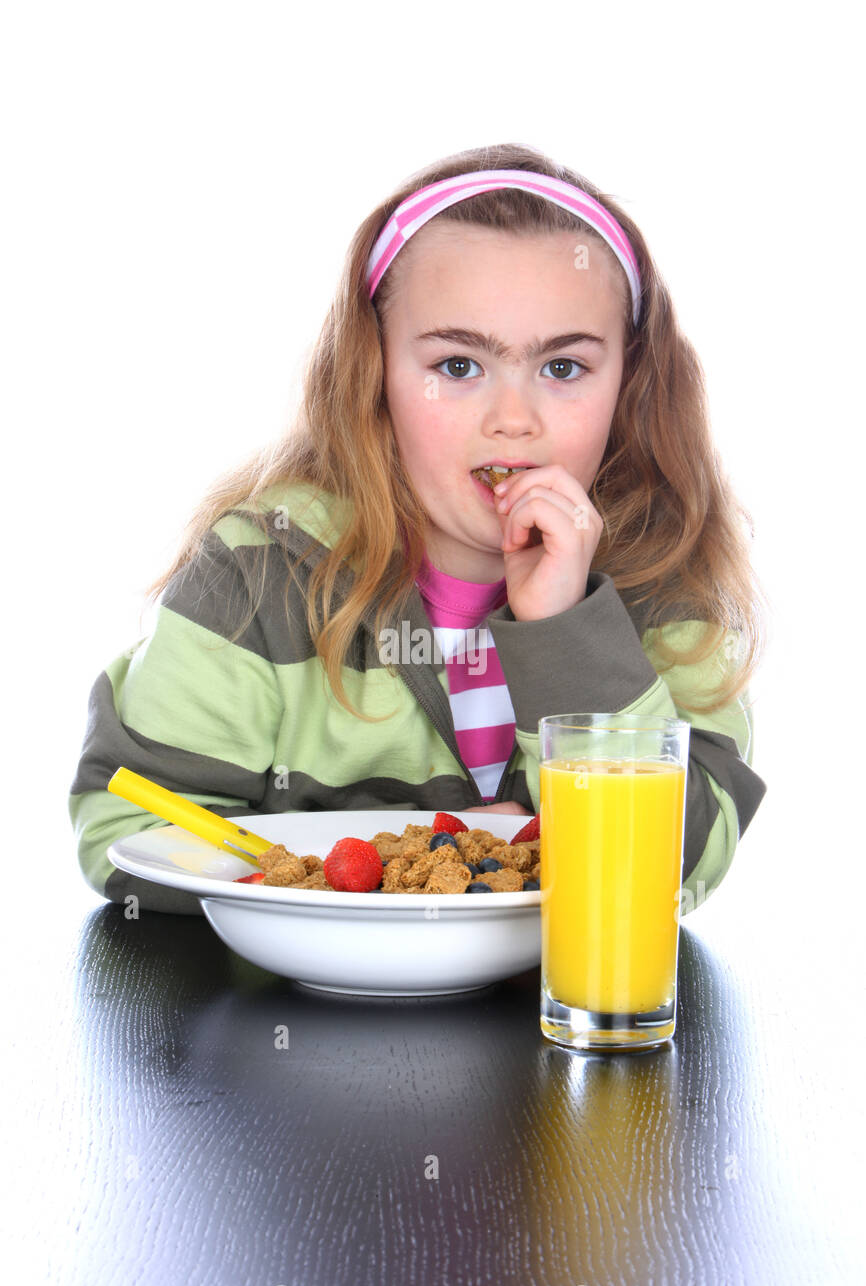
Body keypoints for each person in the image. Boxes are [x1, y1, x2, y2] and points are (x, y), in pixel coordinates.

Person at [70, 143, 768, 914]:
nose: (513, 421)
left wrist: (567, 632)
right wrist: (385, 869)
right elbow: (125, 831)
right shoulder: (258, 573)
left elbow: (686, 862)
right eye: (458, 366)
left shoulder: (661, 584)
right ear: (375, 374)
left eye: (563, 369)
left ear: (629, 382)